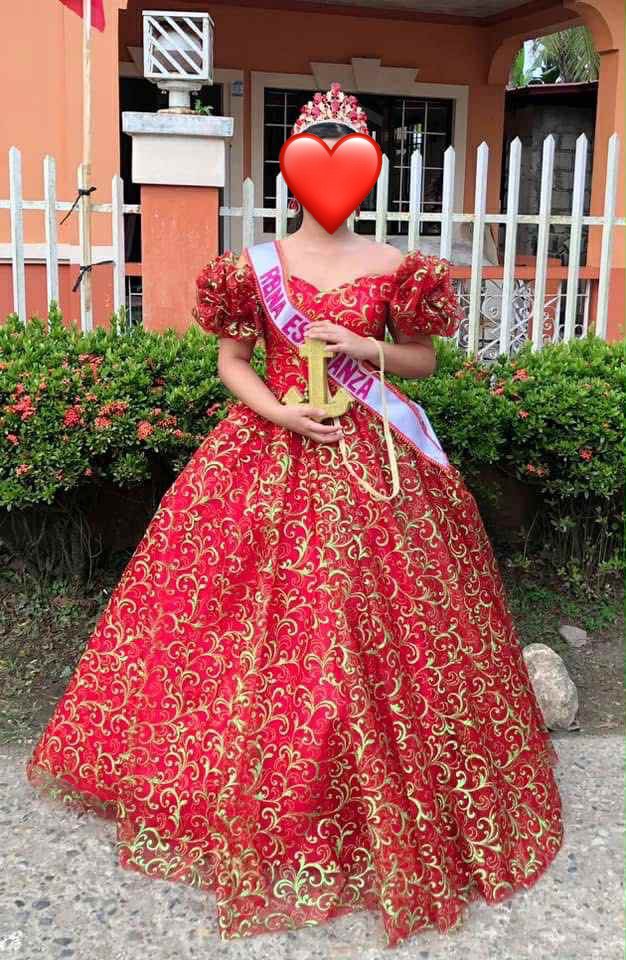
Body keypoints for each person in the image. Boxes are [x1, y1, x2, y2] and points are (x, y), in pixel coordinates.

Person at [25, 82, 564, 948]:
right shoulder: (252, 268)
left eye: (349, 151)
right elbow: (231, 363)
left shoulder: (398, 266)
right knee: (232, 631)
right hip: (265, 456)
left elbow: (421, 361)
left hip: (378, 473)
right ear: (290, 172)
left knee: (377, 629)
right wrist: (277, 412)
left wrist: (366, 349)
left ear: (370, 170)